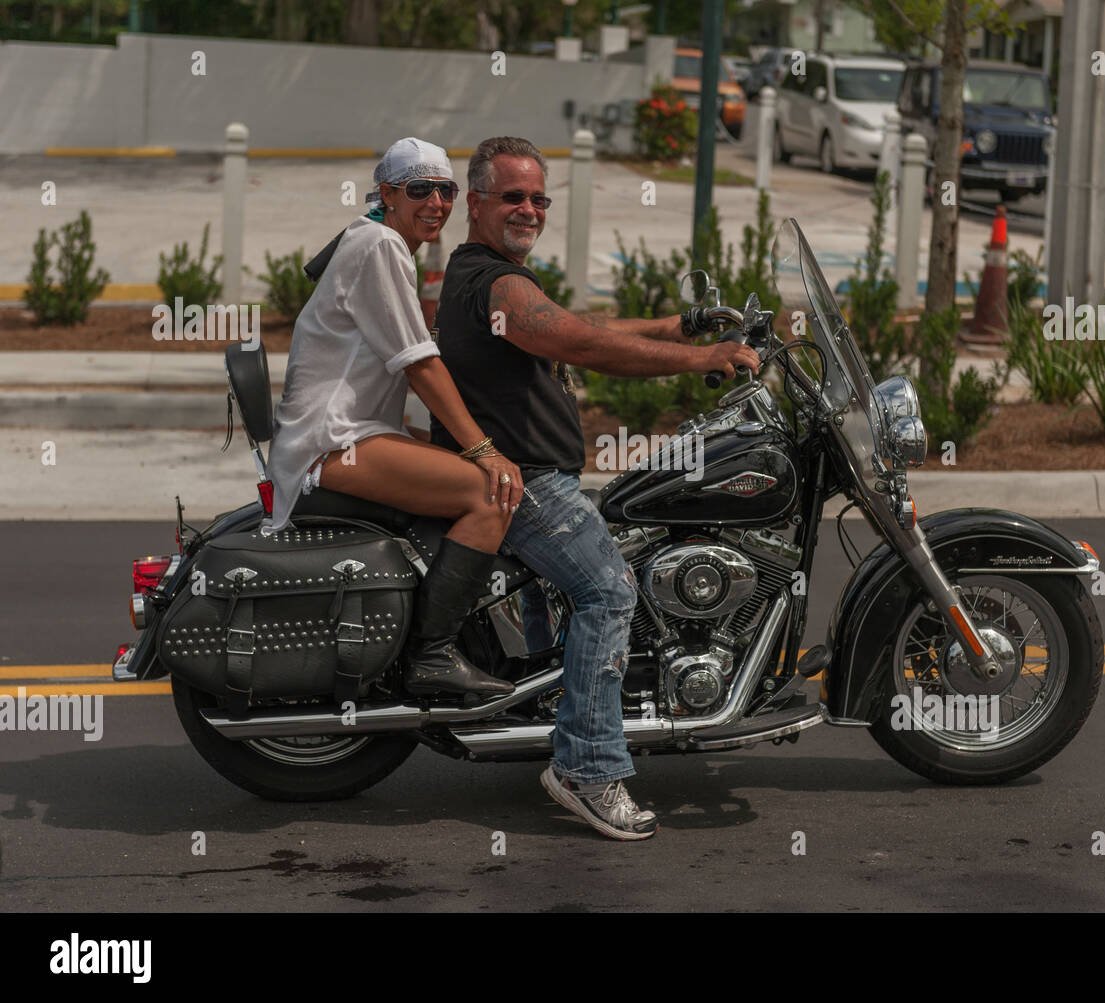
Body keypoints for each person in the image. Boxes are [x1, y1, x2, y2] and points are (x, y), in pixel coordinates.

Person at [428, 136, 760, 840]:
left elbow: (580, 328)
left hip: (536, 474)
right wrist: (700, 357)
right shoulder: (494, 282)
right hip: (526, 482)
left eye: (539, 197)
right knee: (609, 589)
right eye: (512, 196)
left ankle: (566, 719)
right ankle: (587, 767)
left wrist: (678, 324)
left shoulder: (495, 279)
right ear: (477, 203)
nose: (528, 208)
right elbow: (581, 345)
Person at [265, 137, 523, 699]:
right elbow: (419, 365)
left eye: (446, 190)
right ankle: (431, 655)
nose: (435, 202)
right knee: (491, 492)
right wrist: (484, 449)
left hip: (343, 437)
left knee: (467, 475)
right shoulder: (380, 245)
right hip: (332, 445)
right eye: (419, 189)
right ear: (387, 193)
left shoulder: (377, 242)